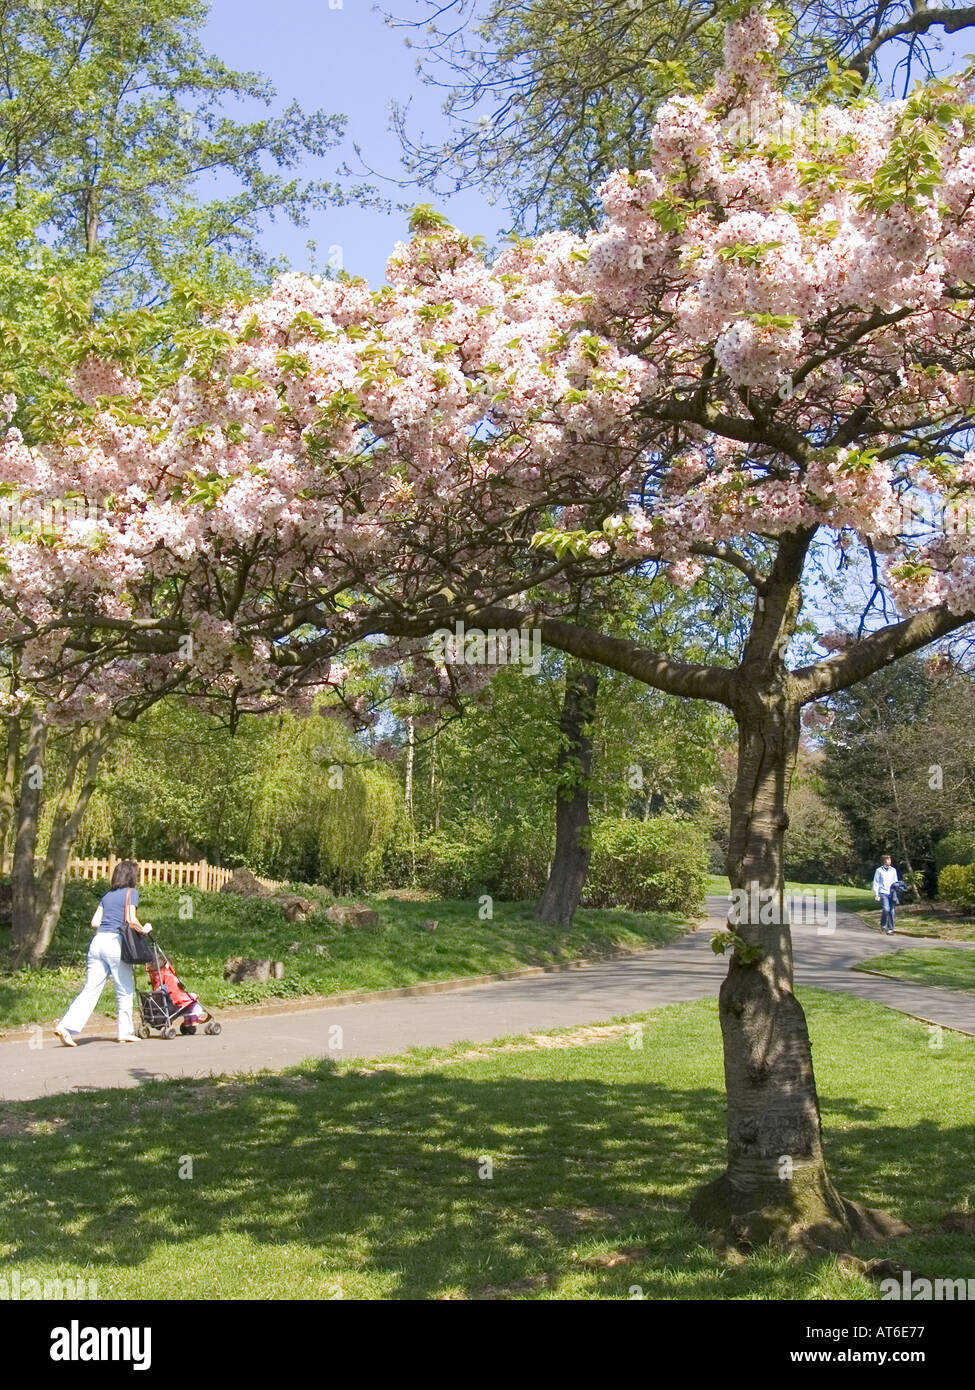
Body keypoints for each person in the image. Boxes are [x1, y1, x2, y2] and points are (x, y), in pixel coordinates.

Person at [54, 861, 152, 1045]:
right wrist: (144, 929)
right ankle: (125, 1031)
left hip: (97, 942)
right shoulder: (132, 893)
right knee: (124, 988)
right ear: (132, 876)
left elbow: (94, 922)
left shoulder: (107, 896)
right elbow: (131, 919)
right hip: (116, 943)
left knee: (90, 989)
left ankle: (65, 1026)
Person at [872, 854, 899, 934]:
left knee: (891, 911)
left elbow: (895, 881)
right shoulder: (879, 870)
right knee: (886, 909)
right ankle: (883, 925)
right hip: (883, 893)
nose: (890, 861)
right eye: (888, 860)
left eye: (890, 860)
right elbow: (876, 882)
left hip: (892, 892)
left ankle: (890, 929)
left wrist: (896, 890)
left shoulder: (893, 870)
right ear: (884, 861)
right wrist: (876, 894)